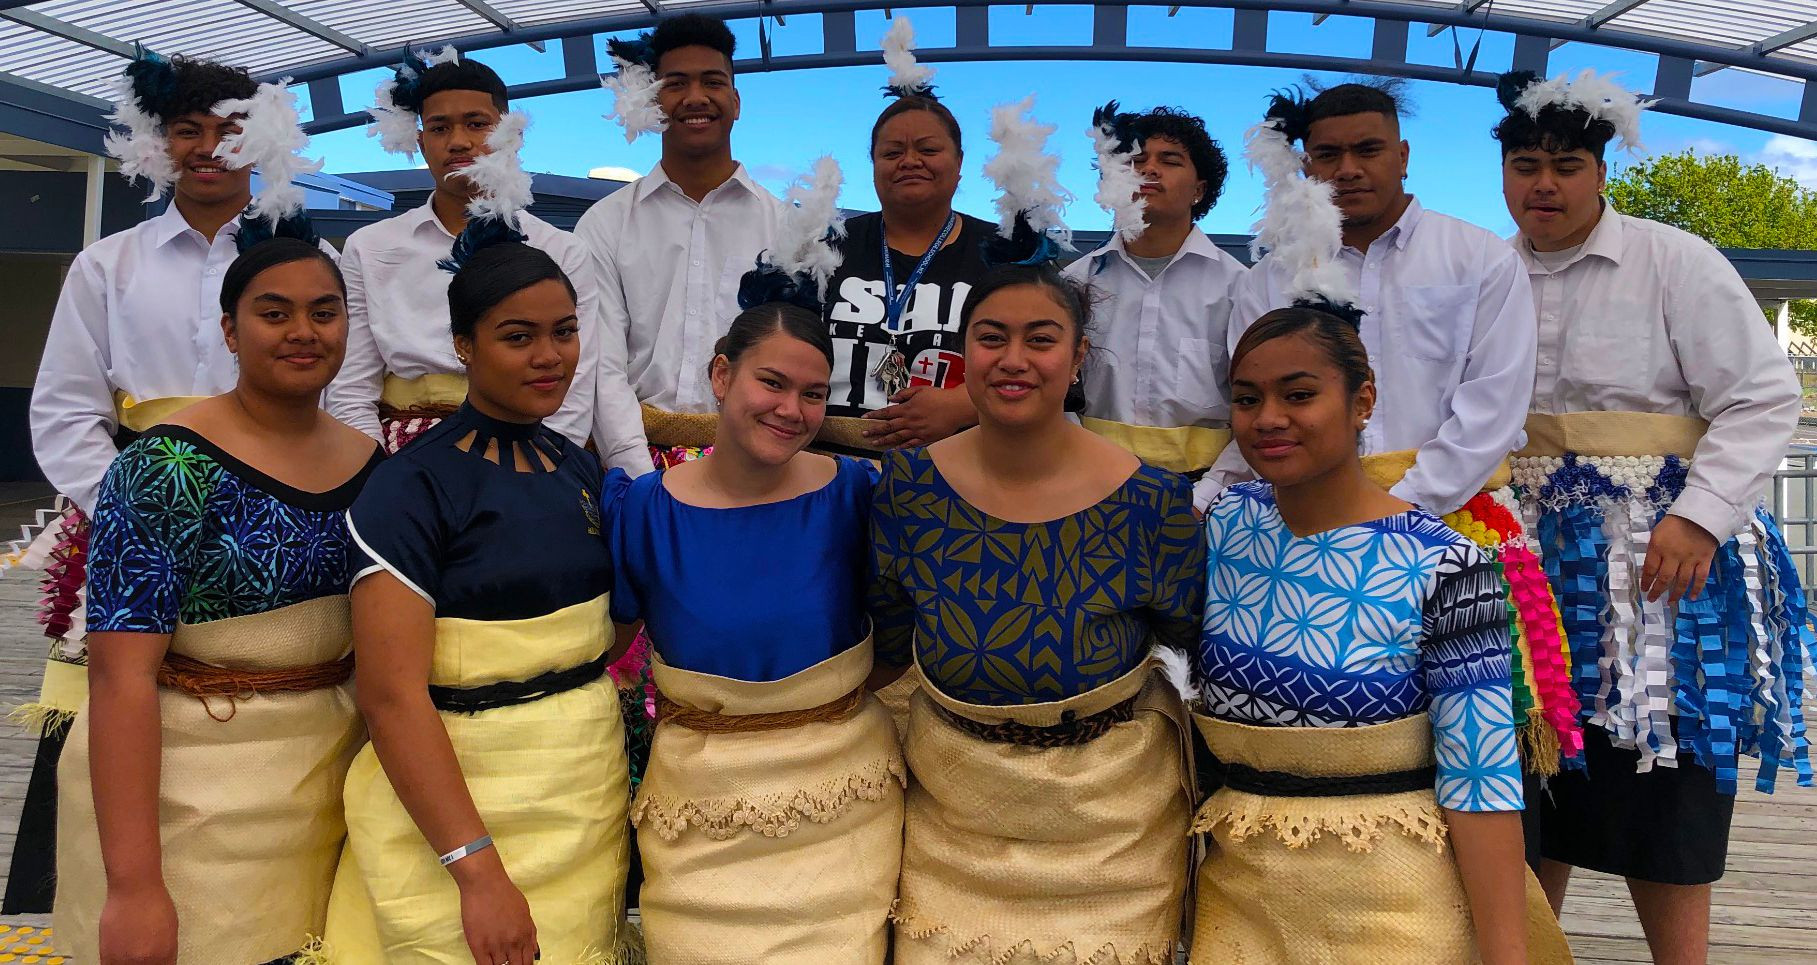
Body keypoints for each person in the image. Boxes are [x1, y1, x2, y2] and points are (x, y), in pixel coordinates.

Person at [1495, 70, 1812, 964]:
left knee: (1667, 771)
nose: (1543, 185)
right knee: (1527, 768)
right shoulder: (1481, 273)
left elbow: (1760, 397)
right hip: (1518, 556)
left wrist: (1700, 517)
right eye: (1525, 166)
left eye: (1564, 166)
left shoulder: (1677, 261)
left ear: (1600, 172)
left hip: (1662, 559)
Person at [13, 51, 335, 916]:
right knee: (119, 700)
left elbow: (341, 398)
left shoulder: (311, 260)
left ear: (260, 140)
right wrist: (138, 511)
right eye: (186, 130)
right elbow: (64, 412)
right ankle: (113, 895)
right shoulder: (107, 265)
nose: (208, 148)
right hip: (132, 519)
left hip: (279, 525)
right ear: (156, 144)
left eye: (229, 130)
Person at [1191, 304, 1569, 964]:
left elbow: (1480, 778)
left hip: (1392, 908)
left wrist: (1507, 955)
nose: (1268, 418)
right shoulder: (1227, 525)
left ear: (1362, 401)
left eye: (1298, 395)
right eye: (1247, 399)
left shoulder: (1446, 565)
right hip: (1239, 904)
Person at [1220, 85, 1579, 772]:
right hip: (1304, 537)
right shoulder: (1266, 280)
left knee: (1477, 742)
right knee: (1324, 719)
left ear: (1404, 155)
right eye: (1328, 154)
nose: (1348, 168)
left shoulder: (1477, 258)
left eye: (1368, 149)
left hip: (1455, 524)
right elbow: (1257, 409)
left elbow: (1492, 405)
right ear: (1305, 163)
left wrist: (1396, 515)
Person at [55, 232, 379, 965]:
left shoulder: (372, 466)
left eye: (324, 312)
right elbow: (120, 676)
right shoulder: (164, 464)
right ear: (230, 331)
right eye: (274, 313)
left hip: (322, 785)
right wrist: (134, 886)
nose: (303, 331)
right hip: (183, 795)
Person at [869, 264, 1203, 963]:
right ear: (965, 353)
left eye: (1041, 339)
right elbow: (890, 641)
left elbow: (1191, 642)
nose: (1013, 359)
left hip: (1113, 835)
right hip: (951, 823)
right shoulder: (908, 488)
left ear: (1078, 357)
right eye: (992, 337)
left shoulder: (1152, 503)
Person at [321, 236, 631, 964]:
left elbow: (599, 637)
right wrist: (478, 873)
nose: (549, 356)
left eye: (564, 331)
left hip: (581, 796)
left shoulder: (578, 470)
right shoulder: (409, 488)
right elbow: (390, 696)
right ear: (463, 344)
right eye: (518, 337)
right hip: (455, 821)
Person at [613, 273, 903, 962]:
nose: (791, 409)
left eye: (812, 393)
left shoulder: (858, 495)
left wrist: (815, 709)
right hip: (699, 817)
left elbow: (899, 636)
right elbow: (610, 647)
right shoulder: (643, 509)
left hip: (840, 815)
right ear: (722, 375)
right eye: (771, 382)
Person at [327, 50, 602, 452]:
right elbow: (350, 387)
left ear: (512, 136)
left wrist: (538, 469)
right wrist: (376, 472)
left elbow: (573, 390)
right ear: (421, 142)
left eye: (477, 124)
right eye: (439, 128)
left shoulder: (562, 251)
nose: (458, 142)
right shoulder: (370, 248)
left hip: (527, 453)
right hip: (396, 452)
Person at [579, 12, 784, 471]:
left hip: (755, 462)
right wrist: (636, 476)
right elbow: (600, 365)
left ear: (736, 101)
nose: (695, 98)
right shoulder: (605, 224)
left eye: (712, 82)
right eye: (675, 84)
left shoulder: (785, 227)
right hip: (632, 459)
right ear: (653, 101)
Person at [817, 17, 997, 455]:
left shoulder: (1004, 252)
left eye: (929, 150)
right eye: (892, 152)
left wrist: (963, 405)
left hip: (955, 474)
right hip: (828, 466)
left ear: (959, 163)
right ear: (873, 165)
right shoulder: (824, 245)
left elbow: (1049, 365)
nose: (910, 161)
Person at [1062, 103, 1247, 511]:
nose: (1149, 169)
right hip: (1089, 493)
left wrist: (1205, 497)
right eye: (1135, 159)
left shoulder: (1239, 287)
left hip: (1208, 503)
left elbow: (1257, 405)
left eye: (1170, 160)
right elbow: (1056, 395)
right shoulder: (1075, 281)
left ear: (1199, 189)